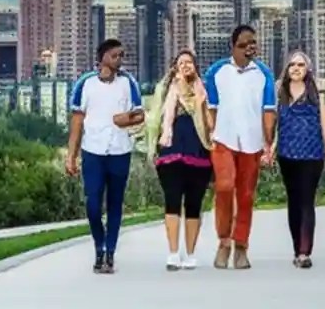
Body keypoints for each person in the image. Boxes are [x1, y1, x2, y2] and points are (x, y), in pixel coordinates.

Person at [65, 38, 144, 274]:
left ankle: (109, 252)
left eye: (121, 56)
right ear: (102, 58)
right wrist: (71, 156)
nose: (119, 60)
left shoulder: (128, 83)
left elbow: (139, 114)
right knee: (92, 203)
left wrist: (125, 119)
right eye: (114, 55)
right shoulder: (86, 84)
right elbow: (77, 122)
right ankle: (98, 245)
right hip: (93, 151)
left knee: (115, 204)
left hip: (120, 151)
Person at [203, 25, 277, 270]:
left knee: (246, 195)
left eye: (252, 43)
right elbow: (211, 108)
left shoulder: (264, 74)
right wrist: (210, 133)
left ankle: (241, 245)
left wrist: (269, 143)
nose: (249, 48)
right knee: (224, 187)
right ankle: (224, 241)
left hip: (252, 142)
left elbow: (268, 111)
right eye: (243, 45)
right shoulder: (216, 72)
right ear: (233, 47)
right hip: (223, 139)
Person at [144, 49, 214, 271]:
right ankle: (173, 253)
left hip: (199, 150)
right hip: (171, 150)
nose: (185, 66)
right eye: (181, 62)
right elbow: (156, 117)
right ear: (175, 67)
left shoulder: (203, 90)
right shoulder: (166, 89)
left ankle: (190, 253)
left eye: (189, 62)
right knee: (172, 200)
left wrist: (201, 101)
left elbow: (211, 124)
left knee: (194, 203)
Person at [271, 50, 325, 268]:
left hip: (312, 153)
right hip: (287, 153)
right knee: (294, 201)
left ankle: (305, 252)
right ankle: (296, 247)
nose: (296, 69)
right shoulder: (280, 91)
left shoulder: (315, 92)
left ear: (307, 69)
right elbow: (275, 123)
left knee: (307, 200)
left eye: (300, 65)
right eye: (292, 65)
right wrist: (270, 146)